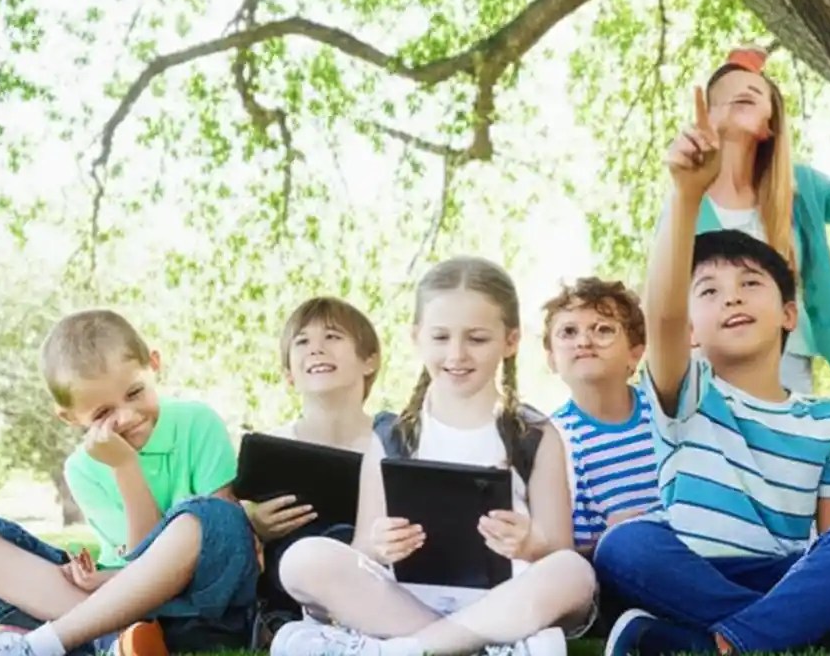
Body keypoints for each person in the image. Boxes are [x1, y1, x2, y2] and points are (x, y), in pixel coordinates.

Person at [594, 112, 830, 656]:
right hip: (691, 574)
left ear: (789, 313)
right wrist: (686, 195)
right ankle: (784, 634)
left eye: (749, 283)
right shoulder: (688, 390)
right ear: (691, 330)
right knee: (626, 542)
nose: (732, 297)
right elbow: (662, 315)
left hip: (788, 577)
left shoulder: (826, 420)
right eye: (709, 291)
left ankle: (713, 642)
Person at [269, 257, 597, 656]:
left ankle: (403, 650)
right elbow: (364, 550)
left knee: (573, 573)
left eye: (477, 339)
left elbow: (558, 549)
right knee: (302, 559)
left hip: (504, 601)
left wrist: (528, 542)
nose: (456, 354)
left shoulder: (535, 434)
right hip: (406, 602)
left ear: (510, 340)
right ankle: (481, 647)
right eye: (440, 337)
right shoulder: (392, 436)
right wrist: (382, 545)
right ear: (417, 337)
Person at [0, 309, 259, 656]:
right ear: (70, 417)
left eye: (134, 392)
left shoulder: (197, 422)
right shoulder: (82, 469)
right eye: (103, 413)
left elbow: (213, 542)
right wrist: (97, 578)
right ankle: (119, 638)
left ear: (153, 364)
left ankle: (42, 643)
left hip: (201, 602)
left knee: (208, 518)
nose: (127, 416)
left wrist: (125, 466)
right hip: (117, 600)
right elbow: (137, 563)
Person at [666, 46, 830, 393]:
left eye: (756, 91)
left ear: (770, 123)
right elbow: (664, 296)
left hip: (786, 364)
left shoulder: (802, 188)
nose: (744, 90)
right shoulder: (686, 199)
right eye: (730, 91)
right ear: (707, 114)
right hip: (709, 366)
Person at [248, 296, 384, 645]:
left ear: (369, 360)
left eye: (333, 337)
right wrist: (257, 523)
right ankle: (283, 624)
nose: (316, 349)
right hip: (293, 583)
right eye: (302, 341)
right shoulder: (271, 448)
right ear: (288, 375)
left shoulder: (394, 440)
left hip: (374, 572)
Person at [542, 277, 660, 554]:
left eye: (603, 330)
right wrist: (612, 538)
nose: (584, 342)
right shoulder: (553, 441)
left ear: (635, 354)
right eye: (568, 332)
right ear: (552, 360)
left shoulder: (663, 411)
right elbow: (565, 551)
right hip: (619, 564)